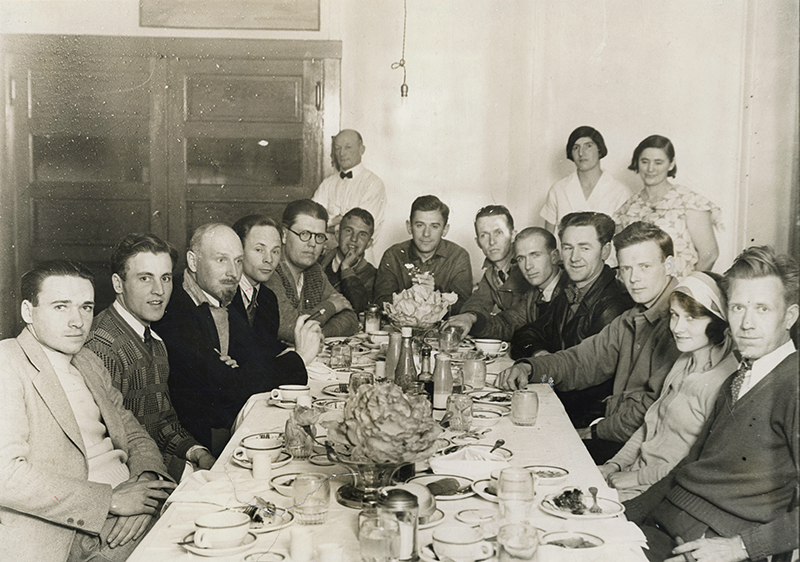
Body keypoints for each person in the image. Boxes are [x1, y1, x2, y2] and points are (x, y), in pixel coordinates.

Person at [624, 246, 798, 562]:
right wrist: (621, 516)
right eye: (737, 307)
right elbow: (686, 467)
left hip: (708, 545)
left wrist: (740, 547)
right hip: (667, 523)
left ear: (790, 316)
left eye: (762, 309)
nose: (745, 324)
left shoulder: (794, 384)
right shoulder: (739, 376)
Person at [0, 260, 175, 562]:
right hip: (73, 530)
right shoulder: (7, 362)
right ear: (28, 312)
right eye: (60, 307)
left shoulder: (88, 360)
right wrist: (110, 502)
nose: (77, 321)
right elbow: (6, 475)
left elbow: (132, 432)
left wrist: (145, 481)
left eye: (86, 307)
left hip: (130, 499)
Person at [498, 221, 681, 463]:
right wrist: (530, 367)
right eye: (626, 268)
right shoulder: (632, 318)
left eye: (644, 267)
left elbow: (649, 411)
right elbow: (582, 360)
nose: (633, 279)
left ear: (668, 265)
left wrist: (594, 432)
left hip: (641, 450)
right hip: (617, 435)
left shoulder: (681, 322)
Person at [154, 223, 320, 455]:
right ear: (193, 262)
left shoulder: (219, 298)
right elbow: (232, 387)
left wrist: (234, 372)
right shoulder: (176, 307)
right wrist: (299, 358)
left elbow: (254, 360)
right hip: (192, 444)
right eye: (221, 260)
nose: (233, 273)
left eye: (238, 261)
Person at [86, 234, 215, 482]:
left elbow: (162, 421)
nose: (159, 290)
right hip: (131, 480)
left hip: (157, 468)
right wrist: (182, 471)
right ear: (118, 284)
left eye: (165, 278)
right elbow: (115, 448)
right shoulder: (103, 348)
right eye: (145, 278)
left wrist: (196, 452)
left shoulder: (154, 341)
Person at [599, 271, 737, 501]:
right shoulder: (683, 361)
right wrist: (614, 465)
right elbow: (648, 428)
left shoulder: (723, 382)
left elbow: (696, 464)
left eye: (691, 318)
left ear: (718, 320)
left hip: (665, 490)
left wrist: (637, 478)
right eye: (674, 315)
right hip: (633, 476)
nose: (677, 327)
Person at [510, 212, 635, 425]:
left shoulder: (614, 304)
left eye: (584, 248)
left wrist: (541, 368)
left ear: (605, 251)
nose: (574, 258)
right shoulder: (571, 290)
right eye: (568, 247)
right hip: (561, 404)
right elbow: (526, 333)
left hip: (584, 419)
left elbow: (589, 381)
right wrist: (540, 354)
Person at [614, 134, 721, 278]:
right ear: (637, 163)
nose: (650, 169)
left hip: (680, 292)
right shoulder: (628, 208)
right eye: (645, 161)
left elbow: (709, 255)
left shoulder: (689, 202)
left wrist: (686, 292)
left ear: (671, 164)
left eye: (658, 162)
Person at [266, 199, 360, 342]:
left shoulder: (314, 271)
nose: (312, 244)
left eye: (319, 237)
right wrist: (330, 306)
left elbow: (351, 319)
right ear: (284, 235)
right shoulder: (270, 270)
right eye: (304, 234)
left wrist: (316, 334)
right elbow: (289, 328)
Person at [374, 195, 473, 314]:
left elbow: (465, 307)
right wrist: (414, 295)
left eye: (434, 226)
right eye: (419, 225)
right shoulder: (393, 255)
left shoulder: (458, 257)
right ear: (409, 227)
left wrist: (434, 295)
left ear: (445, 230)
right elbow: (380, 303)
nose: (426, 234)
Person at [445, 206, 530, 338]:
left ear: (513, 235)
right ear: (477, 242)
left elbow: (516, 320)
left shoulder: (527, 267)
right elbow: (479, 301)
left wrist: (475, 321)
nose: (492, 241)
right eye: (484, 235)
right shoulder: (492, 271)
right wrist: (469, 316)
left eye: (498, 232)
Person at [474, 227, 566, 343]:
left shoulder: (571, 289)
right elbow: (507, 323)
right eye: (521, 258)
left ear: (554, 257)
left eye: (535, 255)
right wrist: (473, 319)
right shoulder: (534, 294)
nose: (528, 266)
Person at [540, 126, 633, 233]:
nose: (581, 153)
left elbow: (624, 242)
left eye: (588, 146)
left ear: (599, 149)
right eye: (576, 147)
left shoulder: (620, 192)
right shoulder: (558, 190)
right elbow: (548, 239)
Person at [312, 129, 387, 254]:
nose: (342, 153)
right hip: (327, 256)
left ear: (361, 149)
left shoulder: (373, 184)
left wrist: (326, 225)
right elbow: (312, 218)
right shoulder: (327, 183)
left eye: (348, 147)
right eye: (337, 148)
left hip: (360, 259)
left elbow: (360, 228)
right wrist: (334, 221)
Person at [318, 207, 378, 314]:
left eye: (362, 234)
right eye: (349, 231)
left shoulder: (372, 275)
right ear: (337, 235)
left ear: (369, 243)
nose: (354, 239)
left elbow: (361, 309)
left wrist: (346, 269)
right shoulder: (317, 264)